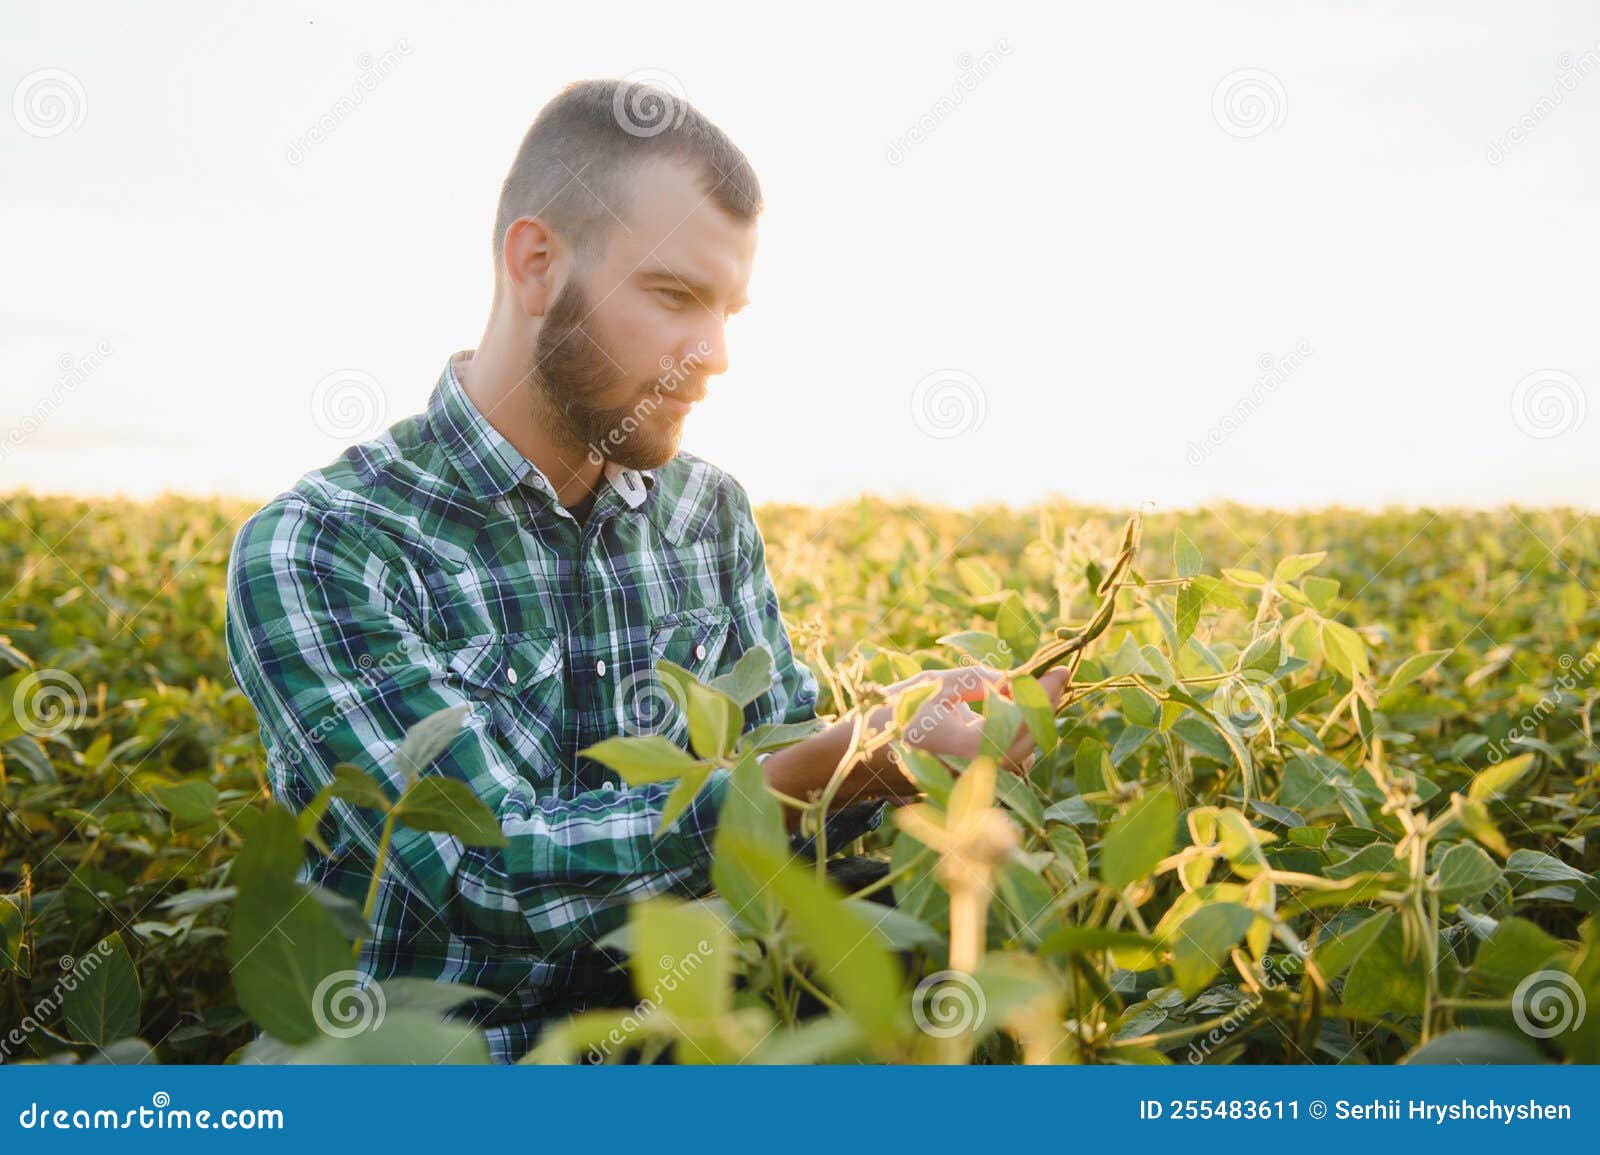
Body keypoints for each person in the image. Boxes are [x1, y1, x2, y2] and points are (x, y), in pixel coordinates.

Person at [224, 78, 1069, 1064]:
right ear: (536, 264)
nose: (712, 354)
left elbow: (784, 820)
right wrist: (839, 761)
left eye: (728, 309)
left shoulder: (707, 514)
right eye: (673, 296)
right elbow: (483, 874)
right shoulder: (325, 544)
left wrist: (908, 761)